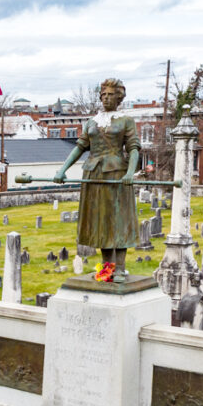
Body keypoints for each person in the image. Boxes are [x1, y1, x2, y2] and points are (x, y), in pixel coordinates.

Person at [53, 78, 140, 282]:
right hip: (93, 175)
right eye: (104, 95)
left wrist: (130, 173)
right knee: (101, 222)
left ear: (119, 98)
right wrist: (62, 170)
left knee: (118, 221)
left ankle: (120, 268)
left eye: (111, 95)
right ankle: (106, 269)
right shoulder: (92, 121)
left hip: (117, 174)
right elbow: (80, 147)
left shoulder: (126, 120)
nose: (107, 98)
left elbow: (134, 148)